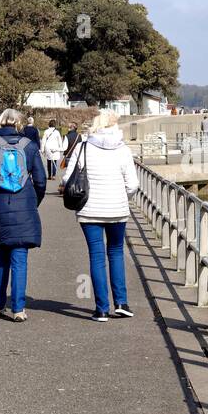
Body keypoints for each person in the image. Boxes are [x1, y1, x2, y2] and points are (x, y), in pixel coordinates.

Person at [70, 110, 139, 321]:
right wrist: (120, 195)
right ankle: (121, 303)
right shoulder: (123, 150)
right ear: (115, 126)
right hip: (117, 210)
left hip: (89, 210)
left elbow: (68, 178)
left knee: (97, 256)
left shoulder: (83, 147)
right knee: (116, 252)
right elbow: (133, 185)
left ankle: (101, 309)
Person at [0, 108, 46, 321]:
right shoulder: (30, 146)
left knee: (1, 259)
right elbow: (41, 181)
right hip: (24, 206)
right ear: (19, 124)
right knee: (20, 260)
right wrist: (33, 201)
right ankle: (18, 308)